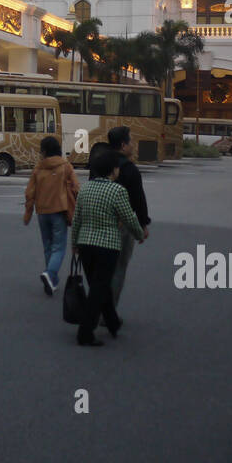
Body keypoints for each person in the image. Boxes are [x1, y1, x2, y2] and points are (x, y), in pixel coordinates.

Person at [70, 148, 141, 347]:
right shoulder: (117, 191)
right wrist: (138, 233)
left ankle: (112, 322)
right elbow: (128, 217)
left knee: (98, 286)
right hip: (107, 246)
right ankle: (85, 332)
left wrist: (74, 243)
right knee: (100, 288)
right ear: (113, 170)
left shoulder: (85, 188)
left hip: (85, 244)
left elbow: (77, 219)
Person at [98, 127, 150, 324]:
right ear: (122, 145)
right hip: (121, 225)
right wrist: (143, 225)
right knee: (118, 267)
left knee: (100, 269)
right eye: (131, 141)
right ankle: (108, 312)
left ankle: (97, 306)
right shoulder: (129, 169)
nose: (133, 144)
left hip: (98, 222)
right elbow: (138, 200)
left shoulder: (100, 163)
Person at [23, 135, 79, 295]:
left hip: (42, 212)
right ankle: (50, 273)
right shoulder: (66, 166)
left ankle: (50, 279)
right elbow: (76, 188)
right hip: (59, 211)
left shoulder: (38, 168)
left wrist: (28, 214)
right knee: (59, 247)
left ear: (44, 151)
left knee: (48, 246)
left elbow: (30, 192)